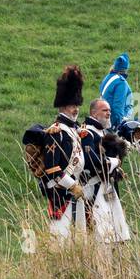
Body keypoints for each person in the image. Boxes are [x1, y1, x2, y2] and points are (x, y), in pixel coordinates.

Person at [39, 66, 87, 240]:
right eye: (72, 106)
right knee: (60, 238)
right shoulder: (56, 131)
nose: (76, 109)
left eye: (77, 105)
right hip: (61, 192)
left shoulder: (74, 129)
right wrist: (72, 185)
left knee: (79, 238)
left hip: (76, 188)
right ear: (62, 106)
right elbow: (52, 169)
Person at [81, 97, 131, 243]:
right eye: (104, 110)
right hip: (94, 187)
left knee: (112, 229)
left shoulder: (103, 132)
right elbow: (91, 161)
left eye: (109, 110)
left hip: (107, 186)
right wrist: (115, 162)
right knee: (99, 231)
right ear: (94, 113)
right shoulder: (87, 132)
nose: (109, 113)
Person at [99, 53, 133, 127]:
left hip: (103, 120)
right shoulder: (121, 82)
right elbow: (118, 107)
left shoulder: (107, 77)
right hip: (113, 123)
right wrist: (118, 126)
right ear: (125, 69)